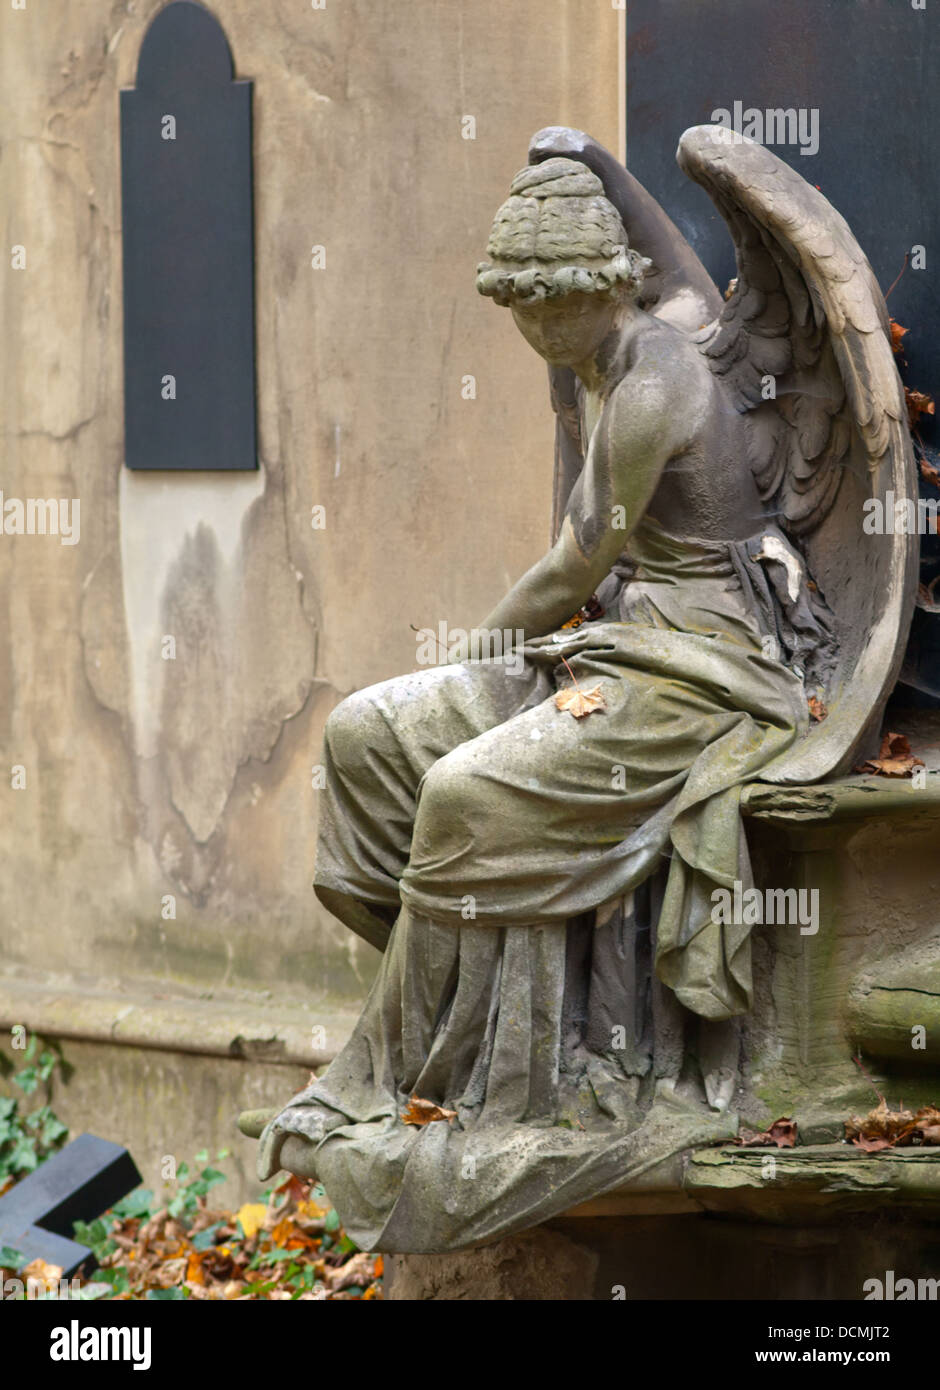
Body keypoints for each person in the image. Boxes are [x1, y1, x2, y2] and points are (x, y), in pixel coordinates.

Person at [256, 157, 834, 1253]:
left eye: (540, 305)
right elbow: (655, 237)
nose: (526, 328)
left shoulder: (655, 376)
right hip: (613, 638)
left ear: (590, 289)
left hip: (698, 665)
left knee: (463, 791)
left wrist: (477, 658)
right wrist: (590, 158)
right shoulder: (584, 359)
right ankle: (449, 1034)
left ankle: (419, 1075)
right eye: (519, 305)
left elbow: (572, 567)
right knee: (367, 738)